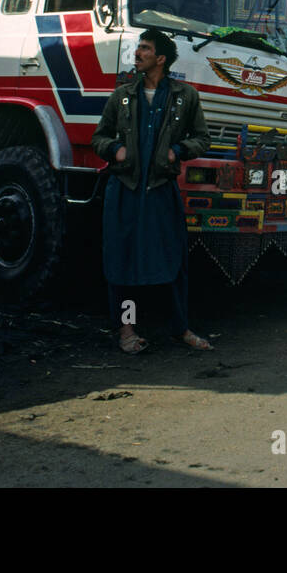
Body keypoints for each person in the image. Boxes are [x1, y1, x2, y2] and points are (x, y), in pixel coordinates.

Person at [91, 29, 213, 353]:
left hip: (161, 191)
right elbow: (99, 137)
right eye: (138, 47)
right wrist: (114, 149)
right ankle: (127, 330)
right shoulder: (122, 96)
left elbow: (203, 138)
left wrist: (178, 151)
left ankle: (180, 328)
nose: (137, 53)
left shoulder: (185, 96)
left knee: (173, 260)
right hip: (125, 190)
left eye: (145, 48)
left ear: (161, 59)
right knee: (122, 262)